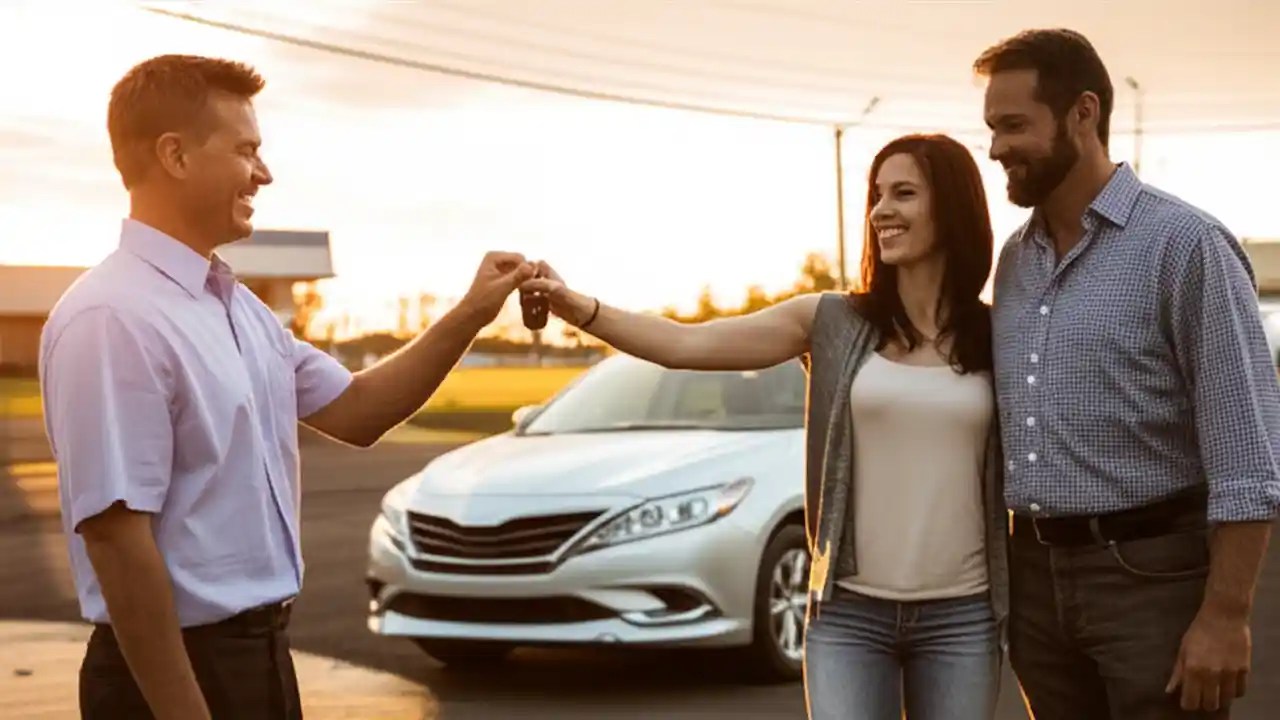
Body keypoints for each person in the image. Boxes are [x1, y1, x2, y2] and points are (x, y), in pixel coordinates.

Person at [38, 54, 534, 720]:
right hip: (171, 679)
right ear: (175, 155)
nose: (264, 174)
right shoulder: (112, 316)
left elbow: (360, 411)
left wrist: (474, 310)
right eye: (247, 151)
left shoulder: (237, 310)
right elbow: (117, 541)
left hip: (259, 661)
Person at [520, 133, 1009, 720]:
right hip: (850, 613)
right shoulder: (831, 321)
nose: (881, 210)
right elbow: (686, 344)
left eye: (903, 193)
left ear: (952, 208)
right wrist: (582, 309)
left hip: (962, 615)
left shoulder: (998, 334)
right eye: (876, 195)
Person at [974, 28, 1280, 720]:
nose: (996, 148)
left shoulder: (1186, 245)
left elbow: (1248, 457)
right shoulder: (1015, 261)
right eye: (991, 128)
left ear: (1083, 113)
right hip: (1036, 585)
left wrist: (1226, 615)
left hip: (1152, 577)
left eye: (1014, 125)